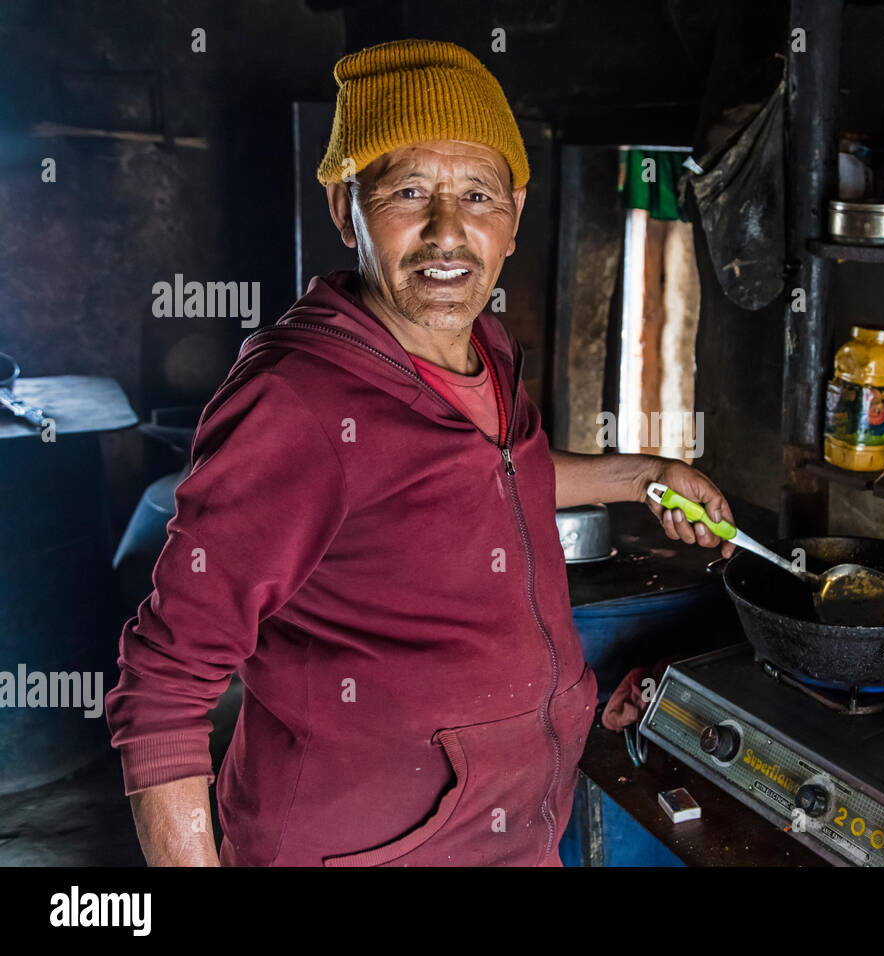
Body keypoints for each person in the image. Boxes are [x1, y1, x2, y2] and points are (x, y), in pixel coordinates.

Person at [105, 38, 735, 867]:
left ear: (512, 213)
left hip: (513, 829)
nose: (449, 232)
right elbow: (162, 688)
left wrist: (641, 475)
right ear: (345, 206)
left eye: (477, 193)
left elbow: (495, 478)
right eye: (408, 191)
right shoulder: (298, 401)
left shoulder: (486, 347)